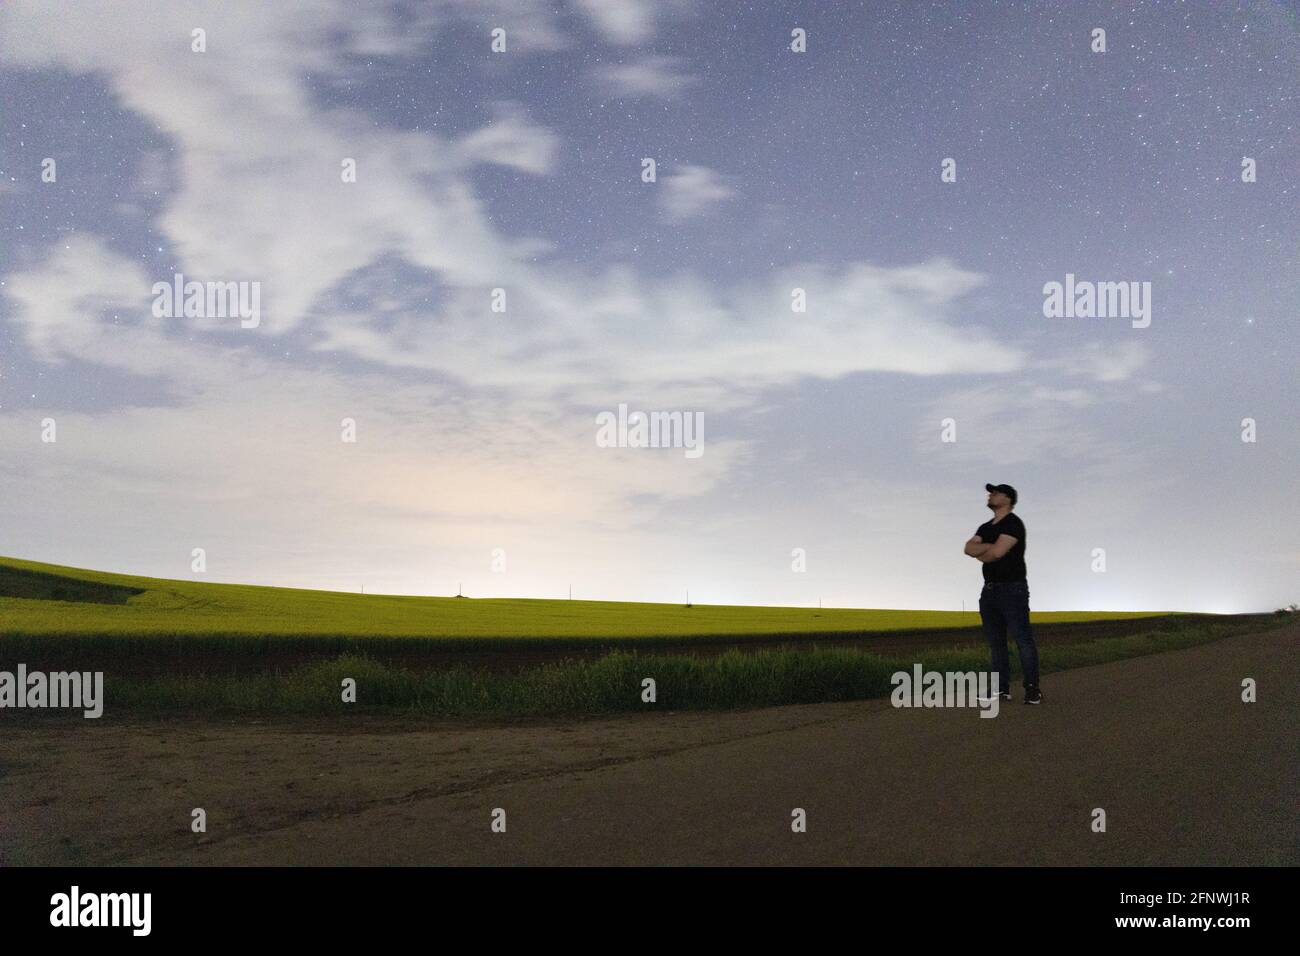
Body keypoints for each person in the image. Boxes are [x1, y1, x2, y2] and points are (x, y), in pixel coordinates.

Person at [964, 483, 1041, 705]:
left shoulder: (1014, 524)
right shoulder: (985, 526)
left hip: (1012, 589)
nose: (990, 495)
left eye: (995, 492)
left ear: (1008, 499)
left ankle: (1032, 689)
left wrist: (985, 551)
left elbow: (996, 553)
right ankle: (1001, 689)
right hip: (989, 591)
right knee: (996, 643)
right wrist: (990, 550)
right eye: (990, 492)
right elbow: (968, 549)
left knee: (1023, 640)